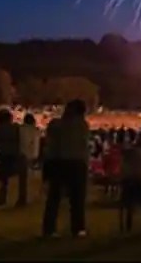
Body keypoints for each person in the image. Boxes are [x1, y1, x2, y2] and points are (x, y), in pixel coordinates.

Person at [42, 99, 91, 238]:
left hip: (59, 162)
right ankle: (78, 228)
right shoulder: (82, 125)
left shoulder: (55, 124)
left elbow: (50, 144)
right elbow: (84, 146)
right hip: (75, 163)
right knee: (77, 199)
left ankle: (50, 229)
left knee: (54, 198)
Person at [0, 109, 20, 206]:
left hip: (4, 153)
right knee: (13, 176)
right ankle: (13, 197)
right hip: (13, 153)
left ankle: (3, 196)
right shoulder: (14, 127)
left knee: (4, 177)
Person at [16, 113, 39, 207]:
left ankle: (23, 198)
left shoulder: (21, 129)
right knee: (29, 178)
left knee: (23, 179)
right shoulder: (35, 130)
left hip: (23, 155)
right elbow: (35, 143)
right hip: (31, 156)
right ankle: (27, 198)